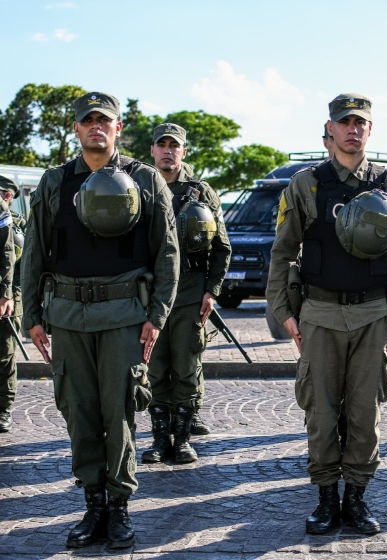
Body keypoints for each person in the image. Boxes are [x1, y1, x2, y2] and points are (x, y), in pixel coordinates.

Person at [21, 92, 179, 548]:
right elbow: (35, 251)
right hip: (68, 316)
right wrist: (33, 314)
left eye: (103, 121)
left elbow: (167, 253)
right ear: (76, 129)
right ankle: (93, 506)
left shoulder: (145, 179)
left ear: (118, 128)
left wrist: (157, 315)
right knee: (79, 414)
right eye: (87, 120)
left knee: (120, 410)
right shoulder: (55, 182)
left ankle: (119, 507)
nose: (96, 127)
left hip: (124, 315)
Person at [266, 93, 387, 535]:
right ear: (330, 129)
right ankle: (325, 498)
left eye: (361, 122)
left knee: (364, 412)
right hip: (319, 311)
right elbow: (282, 254)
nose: (353, 129)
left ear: (370, 130)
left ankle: (356, 496)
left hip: (373, 313)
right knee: (320, 411)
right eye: (345, 122)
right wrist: (286, 313)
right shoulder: (305, 185)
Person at [142, 123, 231, 464]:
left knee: (186, 366)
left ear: (183, 151)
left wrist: (212, 290)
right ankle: (158, 439)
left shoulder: (201, 192)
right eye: (161, 144)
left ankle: (181, 439)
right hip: (151, 295)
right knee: (155, 367)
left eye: (174, 145)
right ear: (152, 150)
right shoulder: (140, 187)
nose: (167, 150)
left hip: (190, 293)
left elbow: (221, 246)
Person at [0, 175, 22, 434]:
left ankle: (4, 408)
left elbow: (12, 257)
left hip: (9, 295)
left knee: (4, 354)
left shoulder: (14, 222)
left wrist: (7, 294)